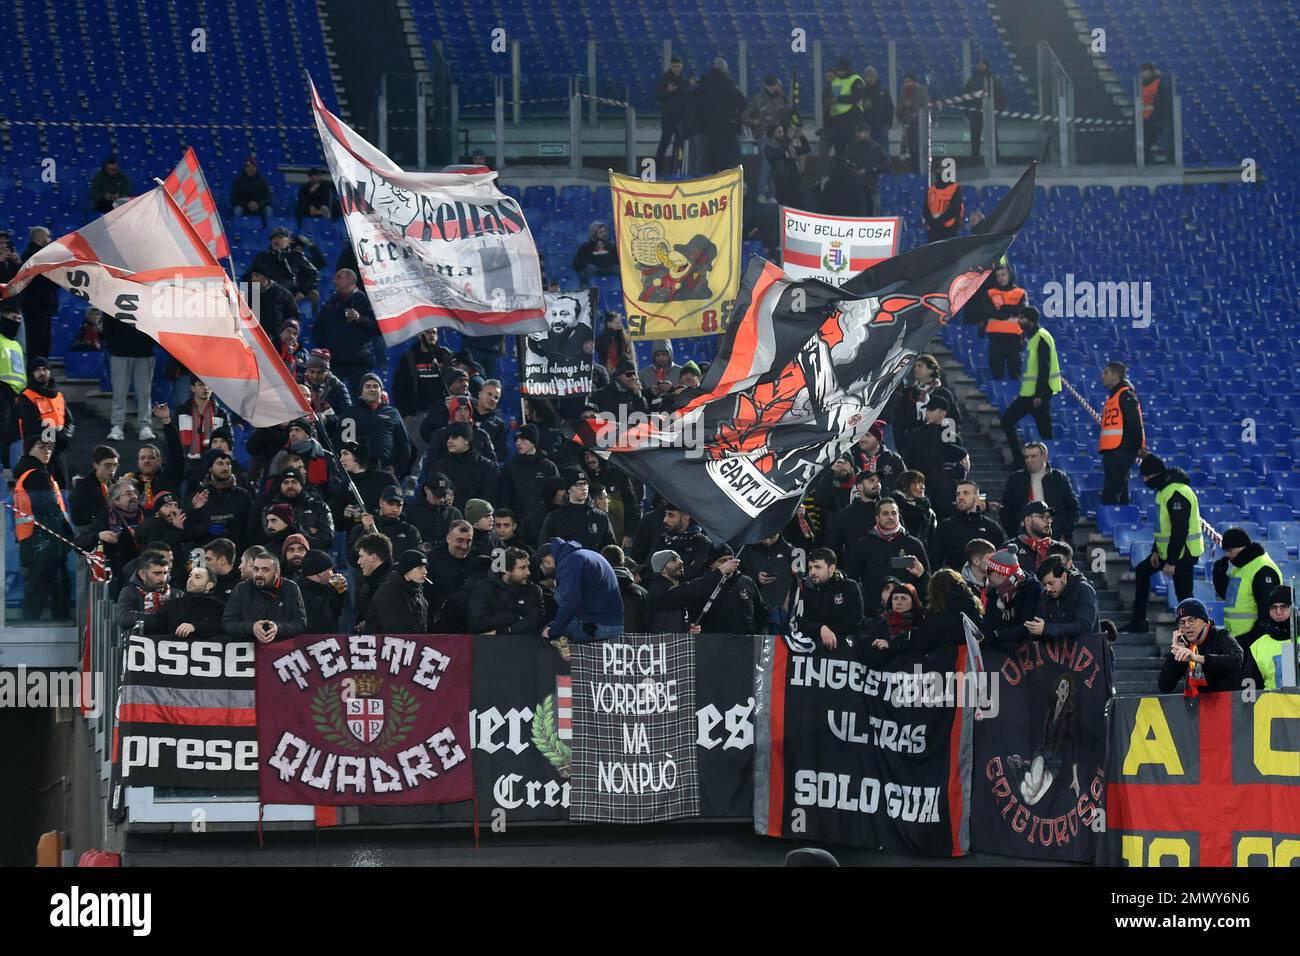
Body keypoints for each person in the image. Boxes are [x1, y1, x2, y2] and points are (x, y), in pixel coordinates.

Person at [1125, 455, 1202, 632]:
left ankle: (1193, 639)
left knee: (1184, 597)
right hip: (1166, 552)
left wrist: (1171, 561)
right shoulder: (1164, 490)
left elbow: (1180, 530)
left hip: (1183, 554)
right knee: (1143, 570)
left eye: (1147, 476)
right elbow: (1163, 528)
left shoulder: (1176, 492)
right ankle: (1139, 621)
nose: (1145, 480)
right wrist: (1155, 551)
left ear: (1156, 474)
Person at [12, 437, 72, 619]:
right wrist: (70, 536)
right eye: (41, 447)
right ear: (29, 449)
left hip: (35, 543)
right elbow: (50, 510)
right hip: (43, 545)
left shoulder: (33, 473)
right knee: (46, 595)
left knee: (39, 595)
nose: (47, 451)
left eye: (50, 447)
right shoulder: (36, 475)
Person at [999, 309, 1059, 465]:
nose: (1019, 320)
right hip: (1029, 394)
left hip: (1037, 395)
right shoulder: (1032, 338)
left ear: (1030, 320)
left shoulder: (1041, 337)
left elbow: (1044, 368)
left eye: (1022, 317)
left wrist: (1040, 395)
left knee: (1045, 431)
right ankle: (1020, 460)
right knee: (1009, 421)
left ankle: (1048, 465)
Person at [543, 537, 625, 643]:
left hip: (598, 627)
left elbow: (569, 603)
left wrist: (552, 632)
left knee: (546, 630)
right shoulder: (588, 554)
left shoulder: (569, 562)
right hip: (615, 624)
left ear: (546, 561)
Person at [899, 395, 968, 521]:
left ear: (943, 413)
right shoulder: (916, 434)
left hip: (945, 492)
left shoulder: (952, 437)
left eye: (932, 410)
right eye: (928, 409)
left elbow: (959, 463)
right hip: (920, 488)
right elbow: (907, 461)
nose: (928, 412)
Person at [1212, 526, 1283, 648]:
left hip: (1252, 639)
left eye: (1230, 550)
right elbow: (1228, 596)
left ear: (1242, 548)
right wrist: (1219, 574)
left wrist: (1257, 638)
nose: (1228, 555)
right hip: (1237, 638)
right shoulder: (1241, 568)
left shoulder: (1263, 568)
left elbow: (1268, 608)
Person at [1157, 598, 1243, 696]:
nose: (1187, 625)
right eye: (1182, 622)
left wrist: (1196, 658)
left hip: (1229, 704)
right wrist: (1175, 652)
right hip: (1197, 708)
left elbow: (1237, 660)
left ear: (1204, 621)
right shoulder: (1185, 647)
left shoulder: (1221, 636)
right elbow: (1165, 687)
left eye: (1191, 620)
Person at [1000, 442, 1081, 544]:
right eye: (1026, 457)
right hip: (1025, 539)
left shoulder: (1058, 477)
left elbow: (1073, 507)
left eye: (1033, 456)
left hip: (1055, 536)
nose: (1029, 460)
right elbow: (1006, 510)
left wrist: (1065, 532)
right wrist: (1015, 534)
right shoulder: (1015, 479)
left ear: (1044, 456)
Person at [314, 270, 379, 394]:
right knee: (332, 399)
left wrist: (360, 319)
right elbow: (318, 327)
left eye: (339, 277)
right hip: (335, 361)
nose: (334, 280)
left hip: (358, 362)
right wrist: (325, 347)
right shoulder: (332, 302)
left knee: (362, 398)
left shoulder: (364, 301)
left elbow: (377, 328)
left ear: (350, 280)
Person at [103, 298, 157, 442]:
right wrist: (113, 346)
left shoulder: (147, 297)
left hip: (144, 353)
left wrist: (148, 345)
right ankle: (117, 427)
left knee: (144, 394)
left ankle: (145, 426)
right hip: (120, 354)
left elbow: (155, 322)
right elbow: (107, 324)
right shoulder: (113, 297)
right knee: (119, 393)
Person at [789, 547, 864, 652]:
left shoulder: (849, 587)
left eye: (817, 567)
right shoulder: (803, 588)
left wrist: (829, 631)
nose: (812, 572)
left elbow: (855, 623)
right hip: (811, 644)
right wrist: (820, 628)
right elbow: (799, 622)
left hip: (844, 645)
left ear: (831, 568)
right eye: (810, 568)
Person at [223, 553, 307, 643]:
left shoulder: (291, 588)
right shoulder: (241, 589)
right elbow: (228, 624)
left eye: (265, 570)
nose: (259, 574)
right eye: (256, 569)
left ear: (277, 572)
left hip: (281, 650)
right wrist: (251, 628)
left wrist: (278, 628)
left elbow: (300, 624)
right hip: (249, 649)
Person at [642, 549, 731, 634]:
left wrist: (686, 629)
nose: (681, 562)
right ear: (662, 569)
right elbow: (687, 591)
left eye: (679, 559)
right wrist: (719, 572)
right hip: (661, 646)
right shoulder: (657, 589)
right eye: (673, 560)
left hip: (673, 645)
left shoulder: (674, 588)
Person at [16, 355, 74, 485]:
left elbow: (69, 421)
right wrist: (58, 435)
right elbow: (32, 424)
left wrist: (66, 436)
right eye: (37, 370)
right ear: (32, 373)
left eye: (44, 369)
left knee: (62, 488)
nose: (41, 373)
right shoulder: (26, 396)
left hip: (58, 451)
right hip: (37, 453)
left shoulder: (59, 396)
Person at [341, 373, 412, 477]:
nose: (372, 389)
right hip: (357, 473)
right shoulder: (350, 413)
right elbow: (343, 442)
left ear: (381, 390)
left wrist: (396, 468)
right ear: (361, 391)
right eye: (368, 386)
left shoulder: (393, 413)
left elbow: (404, 444)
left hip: (386, 472)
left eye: (375, 386)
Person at [1098, 361, 1146, 505]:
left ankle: (1114, 522)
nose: (1102, 376)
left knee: (1112, 493)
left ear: (1115, 376)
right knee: (1119, 492)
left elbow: (1134, 423)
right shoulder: (1114, 396)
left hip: (1121, 449)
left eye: (1106, 372)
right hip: (1113, 450)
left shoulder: (1125, 395)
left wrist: (1137, 447)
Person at [244, 227, 320, 315]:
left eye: (280, 237)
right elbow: (248, 275)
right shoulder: (263, 256)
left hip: (288, 295)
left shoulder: (295, 256)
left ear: (288, 241)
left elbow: (314, 274)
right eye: (273, 237)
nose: (276, 239)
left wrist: (303, 291)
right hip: (265, 294)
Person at [469, 547, 545, 635]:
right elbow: (479, 622)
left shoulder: (533, 590)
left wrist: (502, 631)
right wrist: (514, 617)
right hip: (488, 644)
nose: (528, 572)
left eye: (528, 567)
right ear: (506, 570)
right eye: (522, 568)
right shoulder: (483, 588)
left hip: (523, 645)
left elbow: (534, 622)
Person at [538, 468, 616, 553]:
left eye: (585, 484)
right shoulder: (555, 517)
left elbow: (610, 548)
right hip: (567, 565)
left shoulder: (600, 516)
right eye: (578, 484)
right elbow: (545, 548)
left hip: (594, 565)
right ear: (568, 489)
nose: (583, 488)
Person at [932, 480, 1005, 570]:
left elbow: (1001, 561)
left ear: (977, 497)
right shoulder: (945, 526)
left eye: (965, 493)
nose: (960, 497)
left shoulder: (992, 528)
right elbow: (935, 560)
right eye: (958, 494)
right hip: (954, 581)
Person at [972, 262, 1027, 381]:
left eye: (1003, 274)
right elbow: (988, 312)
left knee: (1015, 371)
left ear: (1010, 274)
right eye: (998, 276)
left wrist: (1001, 309)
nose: (1001, 278)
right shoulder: (990, 293)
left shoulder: (1020, 293)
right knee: (996, 370)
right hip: (996, 338)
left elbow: (1022, 312)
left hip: (1015, 339)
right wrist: (1009, 310)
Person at [910, 569, 983, 656]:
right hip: (971, 662)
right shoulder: (972, 607)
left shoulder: (935, 616)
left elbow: (922, 644)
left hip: (943, 665)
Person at [980, 549, 1044, 648]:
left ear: (1002, 573)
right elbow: (989, 621)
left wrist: (996, 634)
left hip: (1027, 652)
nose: (986, 575)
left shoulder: (1032, 588)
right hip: (1001, 650)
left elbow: (1027, 627)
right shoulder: (994, 590)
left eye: (989, 571)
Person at [697, 545, 767, 635]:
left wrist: (757, 634)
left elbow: (762, 614)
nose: (728, 564)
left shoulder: (746, 582)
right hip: (716, 644)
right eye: (722, 561)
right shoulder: (703, 584)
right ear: (711, 565)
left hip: (747, 643)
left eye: (731, 559)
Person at [393, 330, 448, 444]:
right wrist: (405, 413)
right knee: (415, 453)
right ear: (419, 335)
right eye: (428, 332)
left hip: (441, 414)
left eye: (434, 332)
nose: (431, 335)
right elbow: (399, 387)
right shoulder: (409, 357)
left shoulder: (445, 355)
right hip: (416, 415)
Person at [1026, 557, 1099, 641]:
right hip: (1057, 652)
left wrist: (1046, 629)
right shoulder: (1045, 594)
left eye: (1051, 583)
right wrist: (1035, 630)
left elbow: (1084, 626)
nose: (1048, 588)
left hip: (1084, 650)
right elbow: (1040, 625)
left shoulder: (1084, 590)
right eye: (1044, 585)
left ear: (1064, 576)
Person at [142, 566, 226, 639]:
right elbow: (155, 627)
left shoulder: (219, 607)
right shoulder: (172, 605)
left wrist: (195, 627)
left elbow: (222, 628)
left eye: (197, 577)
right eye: (190, 576)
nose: (190, 580)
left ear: (209, 585)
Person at [694, 57, 747, 174]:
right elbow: (742, 102)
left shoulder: (704, 84)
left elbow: (696, 103)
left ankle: (700, 185)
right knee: (730, 158)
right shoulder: (729, 84)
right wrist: (734, 116)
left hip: (706, 127)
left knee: (704, 159)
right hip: (726, 128)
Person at [744, 76, 791, 200]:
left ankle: (772, 193)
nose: (777, 88)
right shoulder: (758, 99)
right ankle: (761, 192)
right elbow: (745, 116)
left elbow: (787, 116)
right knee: (766, 164)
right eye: (775, 85)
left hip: (777, 136)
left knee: (774, 166)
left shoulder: (781, 100)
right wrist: (754, 122)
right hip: (764, 135)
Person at [18, 228, 60, 365]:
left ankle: (39, 373)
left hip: (40, 307)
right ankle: (35, 375)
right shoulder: (34, 256)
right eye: (48, 236)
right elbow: (46, 281)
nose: (50, 239)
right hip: (36, 308)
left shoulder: (35, 255)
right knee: (38, 345)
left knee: (40, 345)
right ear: (40, 236)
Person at [498, 426, 559, 515]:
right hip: (518, 522)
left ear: (533, 442)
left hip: (545, 521)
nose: (518, 443)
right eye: (516, 439)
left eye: (522, 439)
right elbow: (504, 499)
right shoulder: (508, 468)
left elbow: (557, 495)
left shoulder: (548, 467)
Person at [824, 468, 884, 558]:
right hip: (855, 569)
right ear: (859, 487)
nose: (877, 484)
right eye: (872, 481)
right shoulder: (845, 515)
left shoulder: (888, 511)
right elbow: (834, 548)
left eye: (878, 481)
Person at [1245, 587, 1296, 690]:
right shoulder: (1257, 647)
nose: (1278, 611)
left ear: (1293, 609)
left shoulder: (1295, 639)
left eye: (1283, 606)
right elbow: (1251, 688)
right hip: (1271, 704)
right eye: (1274, 607)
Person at [368, 549, 430, 633]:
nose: (425, 572)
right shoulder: (388, 592)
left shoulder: (417, 592)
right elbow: (394, 630)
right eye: (419, 568)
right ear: (406, 569)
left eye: (425, 567)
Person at [437, 422, 498, 504]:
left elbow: (488, 498)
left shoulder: (487, 466)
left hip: (475, 515)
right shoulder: (440, 466)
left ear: (466, 440)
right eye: (448, 438)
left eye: (454, 437)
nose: (449, 441)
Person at [116, 552, 177, 631]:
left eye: (165, 573)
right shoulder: (130, 592)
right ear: (142, 574)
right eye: (157, 574)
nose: (162, 579)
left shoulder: (176, 594)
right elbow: (124, 618)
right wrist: (159, 620)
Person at [1002, 501, 1063, 579]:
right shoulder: (1009, 548)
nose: (1048, 521)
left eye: (1049, 517)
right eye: (1042, 517)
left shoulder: (1059, 549)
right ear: (1028, 520)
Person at [655, 56, 693, 178]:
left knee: (679, 148)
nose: (676, 69)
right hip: (668, 119)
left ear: (681, 66)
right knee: (664, 144)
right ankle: (656, 170)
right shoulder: (665, 80)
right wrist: (667, 91)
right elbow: (658, 96)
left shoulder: (684, 81)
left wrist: (691, 86)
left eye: (677, 66)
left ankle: (676, 170)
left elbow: (690, 98)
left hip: (681, 119)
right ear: (671, 66)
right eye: (674, 66)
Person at [407, 473, 463, 551]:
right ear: (426, 489)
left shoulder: (454, 514)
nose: (441, 499)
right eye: (437, 495)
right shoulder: (413, 512)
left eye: (443, 495)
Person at [70, 445, 120, 531]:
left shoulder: (115, 485)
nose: (112, 469)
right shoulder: (83, 486)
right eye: (108, 465)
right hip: (93, 534)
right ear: (96, 465)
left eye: (115, 465)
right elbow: (77, 518)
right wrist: (107, 510)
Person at [962, 58, 1004, 162]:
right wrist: (968, 113)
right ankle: (974, 160)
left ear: (986, 66)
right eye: (978, 64)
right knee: (975, 139)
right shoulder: (972, 81)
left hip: (990, 114)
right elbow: (966, 97)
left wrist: (996, 112)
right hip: (975, 114)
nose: (979, 66)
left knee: (993, 138)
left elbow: (1001, 97)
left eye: (982, 64)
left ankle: (996, 160)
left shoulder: (993, 80)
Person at [352, 532, 394, 630]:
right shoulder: (369, 582)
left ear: (373, 557)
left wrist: (370, 625)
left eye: (361, 556)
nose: (358, 562)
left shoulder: (393, 584)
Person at [247, 268, 300, 343]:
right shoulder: (249, 295)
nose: (253, 279)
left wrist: (285, 335)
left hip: (277, 344)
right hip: (254, 342)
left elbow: (293, 318)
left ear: (266, 278)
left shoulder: (284, 295)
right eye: (252, 276)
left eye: (256, 275)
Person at [601, 545, 647, 631]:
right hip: (636, 643)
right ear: (623, 564)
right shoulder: (641, 593)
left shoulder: (592, 592)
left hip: (602, 643)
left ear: (602, 562)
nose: (639, 578)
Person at [825, 57, 864, 155]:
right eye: (838, 70)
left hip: (852, 118)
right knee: (839, 148)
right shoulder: (836, 81)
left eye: (842, 70)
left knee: (852, 147)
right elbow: (832, 96)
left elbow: (856, 97)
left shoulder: (855, 80)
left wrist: (838, 99)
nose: (839, 72)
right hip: (838, 119)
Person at [1139, 62, 1173, 164]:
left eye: (1145, 71)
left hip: (1153, 121)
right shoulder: (1143, 86)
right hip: (1144, 120)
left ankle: (1148, 162)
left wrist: (1154, 119)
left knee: (1147, 143)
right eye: (1142, 71)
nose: (1142, 74)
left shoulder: (1158, 85)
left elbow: (1161, 104)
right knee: (1144, 145)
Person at [922, 158, 962, 243]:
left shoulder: (955, 188)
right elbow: (925, 210)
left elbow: (954, 209)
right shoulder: (931, 189)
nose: (940, 172)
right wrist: (933, 222)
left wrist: (938, 222)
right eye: (938, 169)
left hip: (950, 230)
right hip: (933, 231)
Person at [571, 221, 618, 288]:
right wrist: (588, 263)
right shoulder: (585, 247)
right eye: (601, 232)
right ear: (594, 233)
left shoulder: (610, 246)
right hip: (594, 269)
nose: (604, 234)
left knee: (620, 271)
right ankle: (586, 293)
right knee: (587, 271)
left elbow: (618, 260)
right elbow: (576, 264)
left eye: (604, 231)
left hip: (610, 268)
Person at [895, 73, 927, 173]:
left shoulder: (922, 91)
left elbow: (924, 107)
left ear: (914, 81)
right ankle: (909, 172)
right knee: (906, 151)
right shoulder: (903, 91)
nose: (907, 84)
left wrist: (912, 106)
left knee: (917, 150)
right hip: (907, 125)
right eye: (905, 82)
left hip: (919, 126)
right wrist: (902, 109)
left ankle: (919, 171)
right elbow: (899, 108)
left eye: (909, 81)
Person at [230, 155, 272, 223]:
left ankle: (268, 230)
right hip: (244, 207)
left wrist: (258, 204)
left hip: (259, 208)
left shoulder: (262, 181)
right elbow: (234, 200)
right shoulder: (238, 181)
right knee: (237, 210)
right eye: (248, 167)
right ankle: (237, 229)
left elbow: (268, 199)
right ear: (245, 168)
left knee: (268, 210)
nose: (251, 169)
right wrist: (247, 204)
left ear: (256, 168)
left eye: (253, 167)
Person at [861, 67, 894, 151]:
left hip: (881, 127)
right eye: (867, 76)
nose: (869, 79)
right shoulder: (862, 92)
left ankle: (886, 164)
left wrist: (888, 124)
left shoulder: (883, 91)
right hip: (867, 128)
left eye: (871, 76)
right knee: (869, 152)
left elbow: (890, 108)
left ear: (875, 77)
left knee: (884, 152)